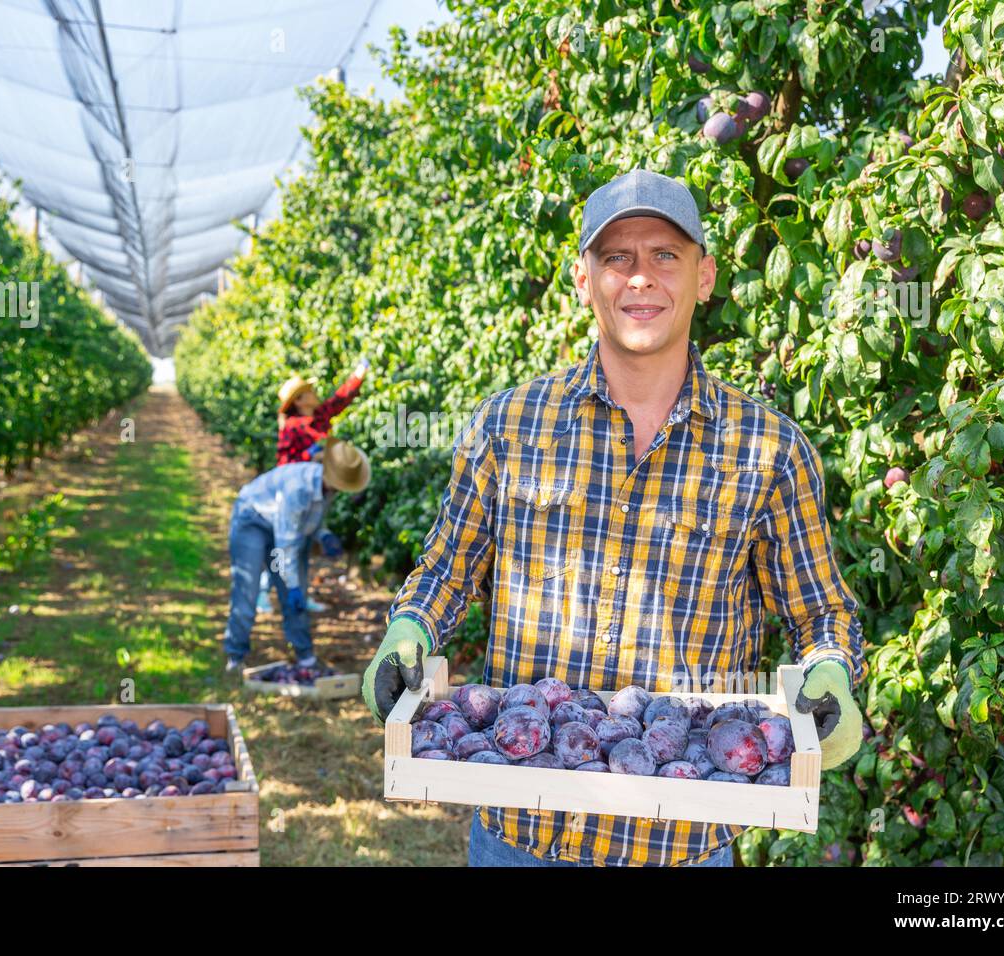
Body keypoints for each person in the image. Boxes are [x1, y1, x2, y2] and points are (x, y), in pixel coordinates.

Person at [361, 169, 865, 867]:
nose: (639, 279)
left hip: (679, 842)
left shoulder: (769, 450)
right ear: (582, 278)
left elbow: (820, 614)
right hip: (523, 835)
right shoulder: (510, 426)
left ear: (705, 275)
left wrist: (831, 671)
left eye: (665, 256)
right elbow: (447, 571)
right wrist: (408, 630)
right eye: (616, 258)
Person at [226, 440, 371, 674]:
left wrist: (322, 535)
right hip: (252, 520)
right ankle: (235, 655)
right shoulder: (298, 489)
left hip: (283, 528)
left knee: (297, 594)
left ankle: (305, 657)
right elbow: (285, 547)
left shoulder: (326, 488)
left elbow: (305, 524)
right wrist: (291, 585)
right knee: (248, 588)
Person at [256, 357, 370, 613]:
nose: (315, 392)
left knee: (301, 545)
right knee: (283, 543)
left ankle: (298, 592)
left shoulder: (317, 417)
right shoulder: (296, 426)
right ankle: (262, 592)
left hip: (313, 492)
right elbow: (321, 446)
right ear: (299, 400)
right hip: (292, 495)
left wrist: (358, 374)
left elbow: (339, 400)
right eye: (309, 391)